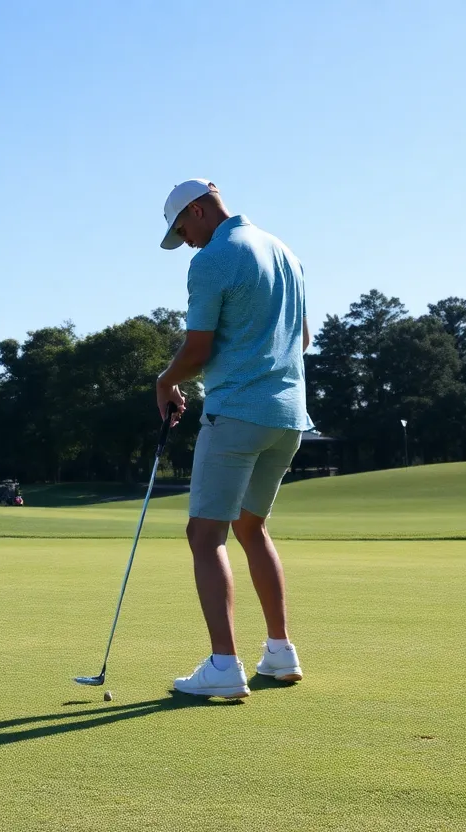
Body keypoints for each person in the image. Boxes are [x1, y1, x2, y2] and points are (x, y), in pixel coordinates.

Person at [155, 179, 312, 699]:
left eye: (183, 229)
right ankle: (281, 651)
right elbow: (304, 338)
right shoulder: (284, 251)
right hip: (287, 416)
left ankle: (224, 666)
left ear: (198, 211)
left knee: (205, 536)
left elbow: (198, 349)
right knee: (252, 527)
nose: (187, 242)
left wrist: (166, 381)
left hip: (237, 414)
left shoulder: (214, 257)